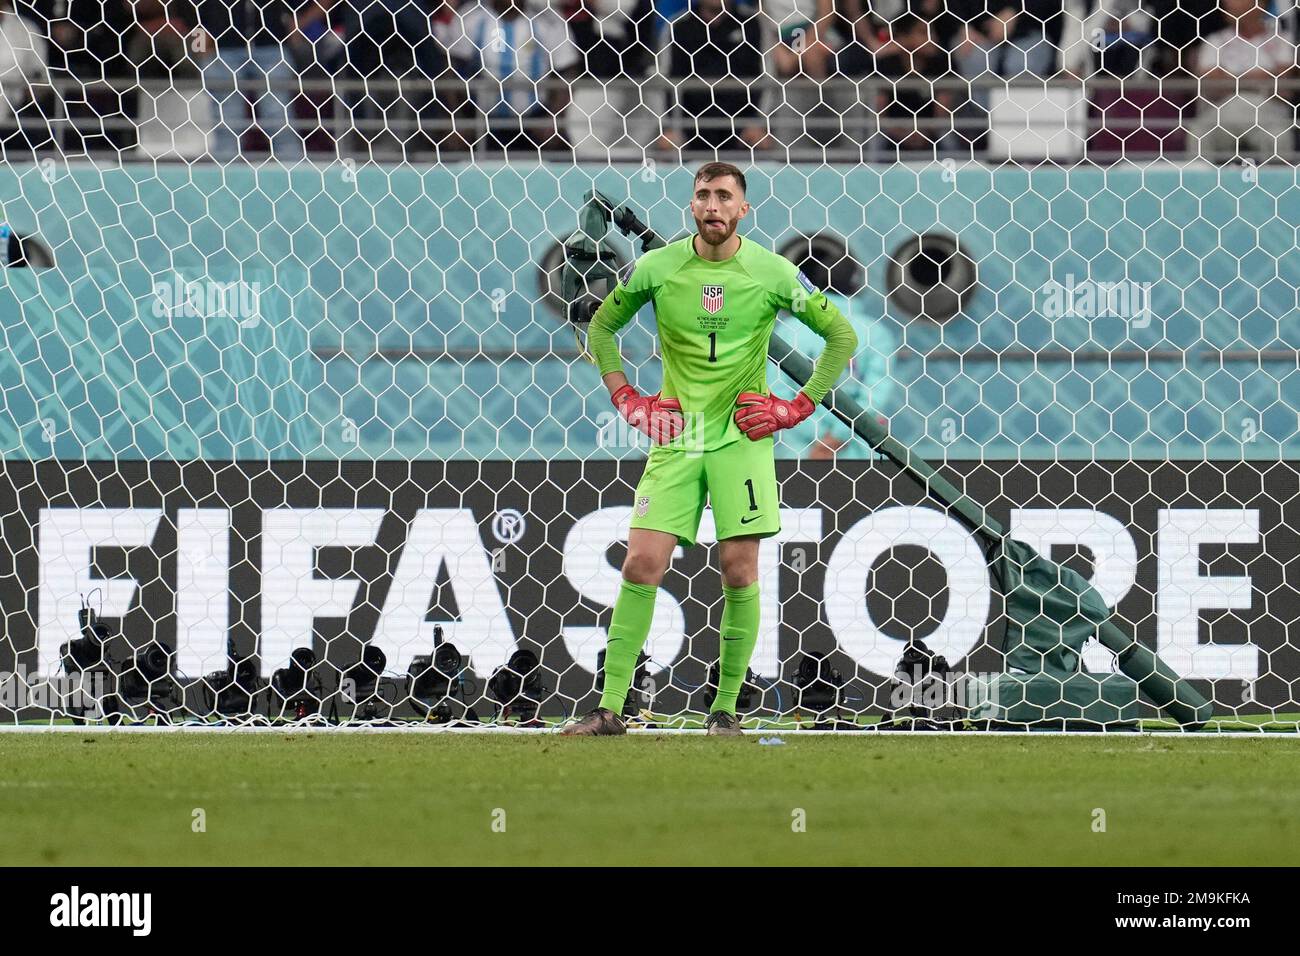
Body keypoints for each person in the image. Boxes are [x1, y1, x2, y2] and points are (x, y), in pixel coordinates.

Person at [561, 161, 858, 737]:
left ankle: (724, 712)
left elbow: (841, 336)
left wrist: (796, 408)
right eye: (703, 196)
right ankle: (610, 710)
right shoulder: (657, 268)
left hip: (740, 442)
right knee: (642, 563)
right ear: (692, 207)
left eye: (725, 196)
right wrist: (628, 399)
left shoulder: (771, 272)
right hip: (678, 439)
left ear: (743, 208)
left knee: (739, 572)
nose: (713, 205)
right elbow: (600, 330)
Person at [445, 0, 579, 156]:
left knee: (558, 145)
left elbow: (568, 71)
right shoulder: (471, 17)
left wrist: (554, 119)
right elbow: (449, 70)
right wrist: (456, 118)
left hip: (535, 119)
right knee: (450, 144)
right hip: (483, 119)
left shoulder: (548, 19)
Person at [1187, 0, 1298, 163]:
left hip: (1267, 114)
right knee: (1198, 133)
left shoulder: (1281, 40)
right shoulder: (1214, 41)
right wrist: (1261, 77)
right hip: (1222, 112)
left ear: (1259, 4)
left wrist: (1230, 78)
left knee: (1279, 136)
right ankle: (1198, 187)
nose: (1227, 4)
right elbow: (1212, 86)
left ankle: (1277, 187)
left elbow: (1282, 86)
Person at [193, 0, 305, 160]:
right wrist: (199, 48)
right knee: (227, 125)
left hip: (272, 46)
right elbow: (194, 14)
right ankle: (225, 180)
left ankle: (295, 177)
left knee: (279, 120)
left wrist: (298, 26)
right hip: (223, 49)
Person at [655, 0, 769, 153]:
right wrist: (669, 127)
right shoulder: (677, 25)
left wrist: (760, 123)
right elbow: (662, 80)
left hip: (743, 130)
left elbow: (769, 78)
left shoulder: (754, 23)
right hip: (689, 131)